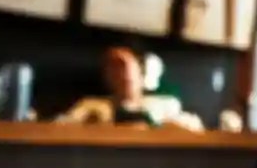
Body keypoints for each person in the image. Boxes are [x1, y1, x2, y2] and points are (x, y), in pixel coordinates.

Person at [58, 47, 204, 129]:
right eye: (114, 68)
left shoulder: (165, 105)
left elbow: (196, 128)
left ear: (141, 75)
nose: (122, 74)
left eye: (126, 66)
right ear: (107, 78)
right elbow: (59, 126)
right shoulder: (91, 106)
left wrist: (168, 126)